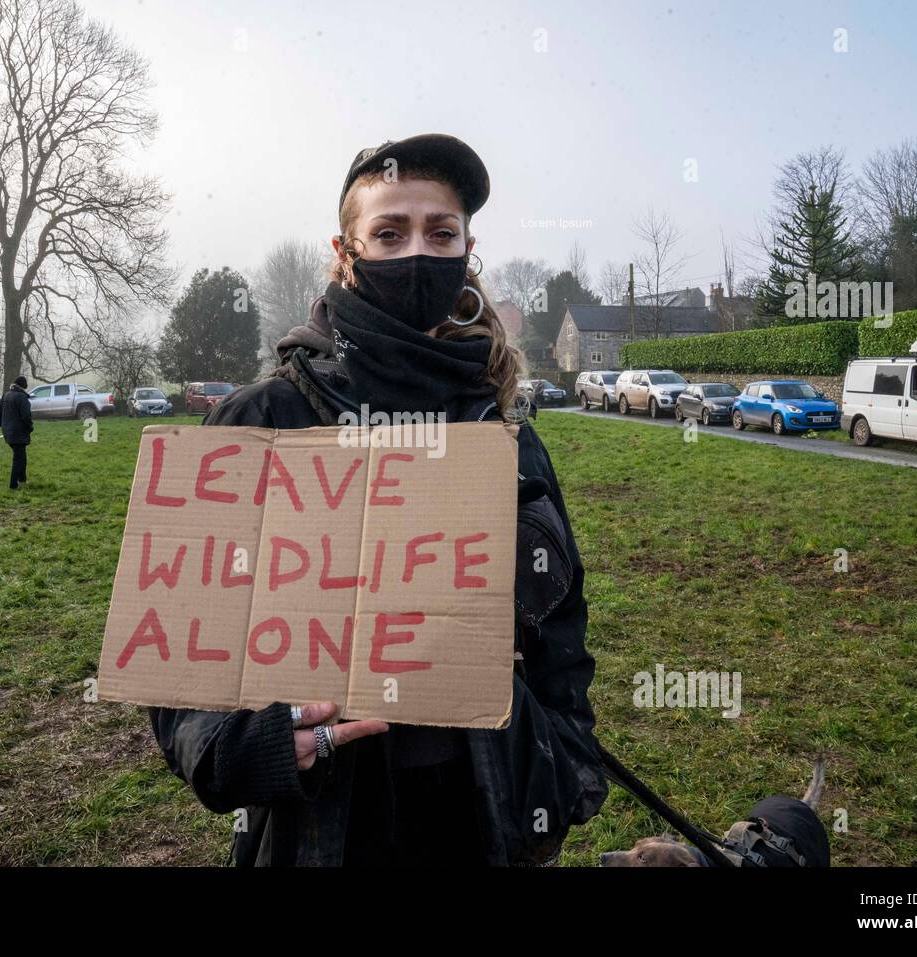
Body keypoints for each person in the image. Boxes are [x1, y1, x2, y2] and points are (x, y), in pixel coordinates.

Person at [148, 134, 608, 866]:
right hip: (323, 834)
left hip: (487, 829)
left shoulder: (506, 439)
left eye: (441, 232)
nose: (417, 252)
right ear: (345, 251)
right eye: (389, 233)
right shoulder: (258, 422)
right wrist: (252, 745)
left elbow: (564, 645)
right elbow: (176, 673)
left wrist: (562, 767)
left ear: (467, 250)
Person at [0, 375, 34, 489]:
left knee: (21, 455)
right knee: (18, 458)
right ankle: (13, 484)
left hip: (8, 431)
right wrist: (30, 427)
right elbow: (26, 416)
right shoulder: (22, 398)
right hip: (18, 432)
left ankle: (22, 479)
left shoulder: (6, 395)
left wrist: (2, 425)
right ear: (23, 386)